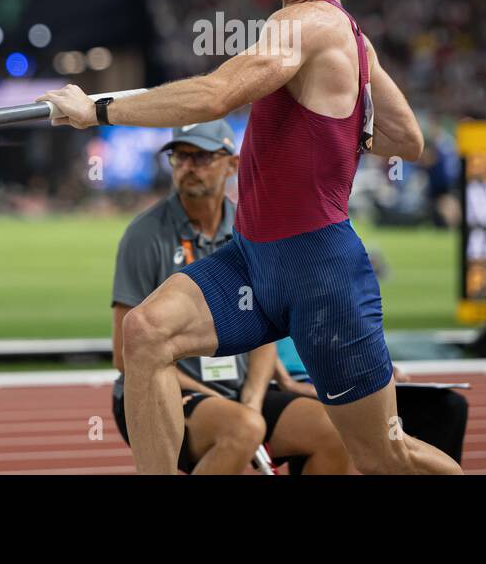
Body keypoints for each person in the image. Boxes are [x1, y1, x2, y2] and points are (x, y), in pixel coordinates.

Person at [39, 0, 461, 474]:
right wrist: (339, 122)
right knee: (146, 334)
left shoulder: (305, 25)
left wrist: (96, 110)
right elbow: (407, 138)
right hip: (255, 260)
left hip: (320, 273)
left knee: (381, 454)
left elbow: (215, 96)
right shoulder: (354, 41)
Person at [110, 119, 351, 474]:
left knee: (335, 429)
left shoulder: (248, 228)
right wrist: (229, 405)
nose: (189, 167)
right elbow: (124, 356)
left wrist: (252, 400)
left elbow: (263, 328)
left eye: (202, 157)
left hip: (238, 389)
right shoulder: (144, 235)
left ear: (233, 164)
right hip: (167, 390)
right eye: (180, 157)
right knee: (243, 429)